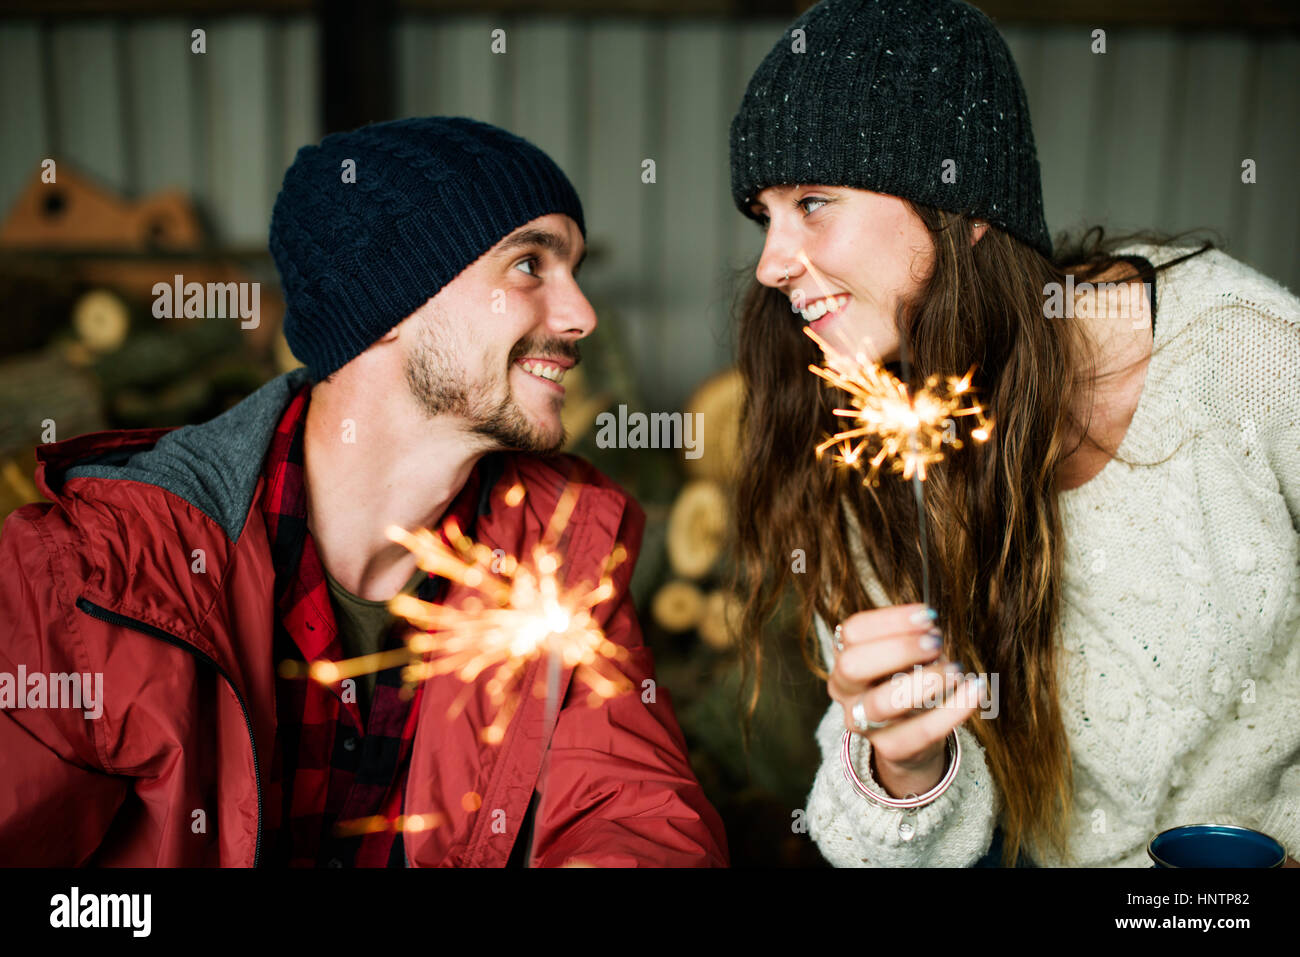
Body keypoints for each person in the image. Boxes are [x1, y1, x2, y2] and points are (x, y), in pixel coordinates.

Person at [0, 116, 728, 868]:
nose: (582, 314)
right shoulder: (92, 574)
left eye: (572, 268)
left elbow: (634, 817)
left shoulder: (564, 549)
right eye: (530, 264)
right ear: (386, 305)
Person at [729, 0, 1299, 867]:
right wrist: (903, 761)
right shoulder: (863, 443)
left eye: (812, 202)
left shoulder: (1244, 353)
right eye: (764, 215)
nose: (772, 262)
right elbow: (915, 849)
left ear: (967, 205)